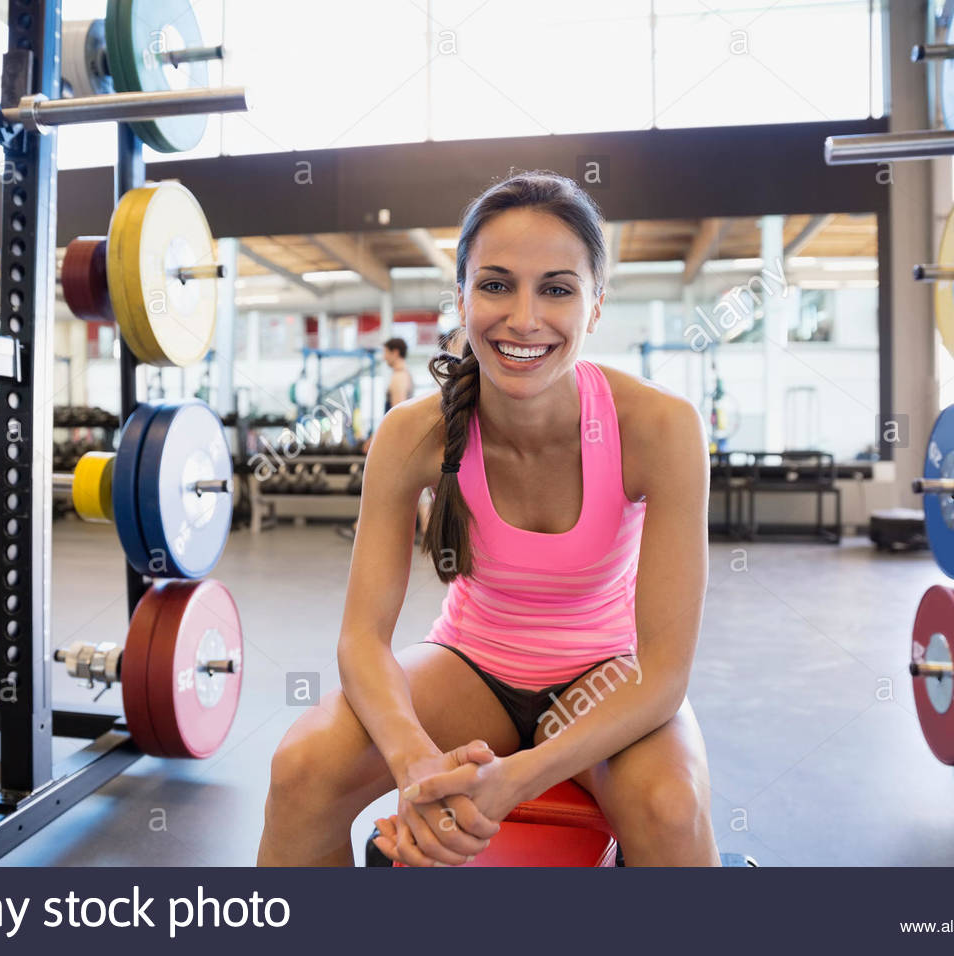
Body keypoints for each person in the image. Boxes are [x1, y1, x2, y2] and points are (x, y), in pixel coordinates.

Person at [258, 171, 718, 867]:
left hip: (605, 675)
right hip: (471, 669)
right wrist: (415, 762)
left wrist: (513, 779)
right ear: (462, 298)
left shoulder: (660, 427)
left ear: (595, 307)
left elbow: (662, 675)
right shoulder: (411, 434)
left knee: (671, 810)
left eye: (557, 288)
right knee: (301, 770)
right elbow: (361, 641)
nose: (524, 318)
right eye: (496, 284)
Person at [337, 338, 431, 540]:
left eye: (386, 352)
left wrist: (376, 437)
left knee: (381, 484)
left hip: (401, 440)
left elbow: (397, 413)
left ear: (395, 352)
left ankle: (360, 527)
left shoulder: (398, 378)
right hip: (406, 439)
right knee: (414, 487)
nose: (384, 356)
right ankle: (427, 530)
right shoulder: (405, 375)